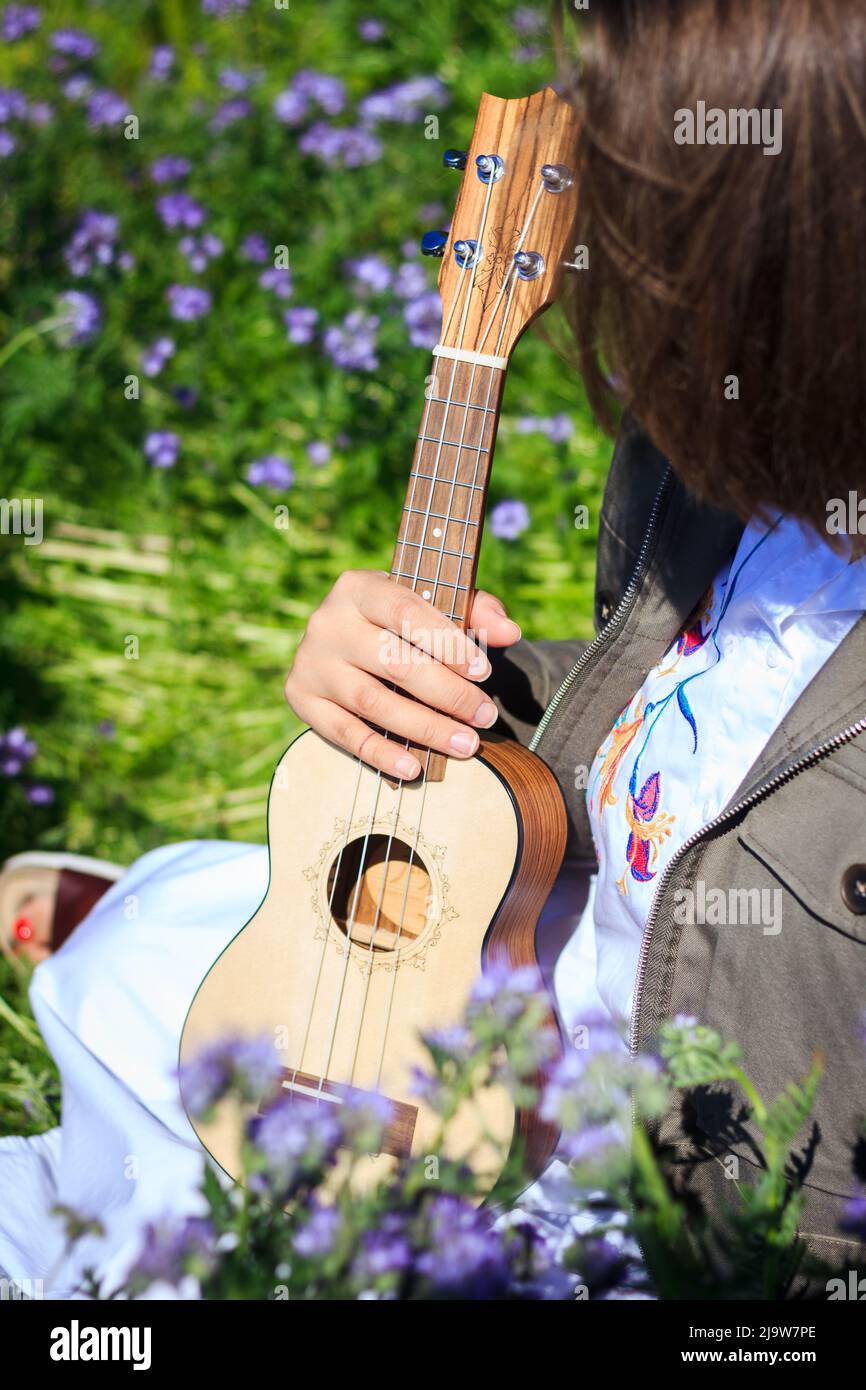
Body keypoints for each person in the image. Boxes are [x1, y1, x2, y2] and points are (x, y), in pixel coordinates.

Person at [2, 0, 865, 1294]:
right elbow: (701, 707)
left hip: (660, 1200)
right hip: (536, 987)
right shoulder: (729, 455)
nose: (617, 278)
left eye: (655, 230)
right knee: (149, 938)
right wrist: (448, 681)